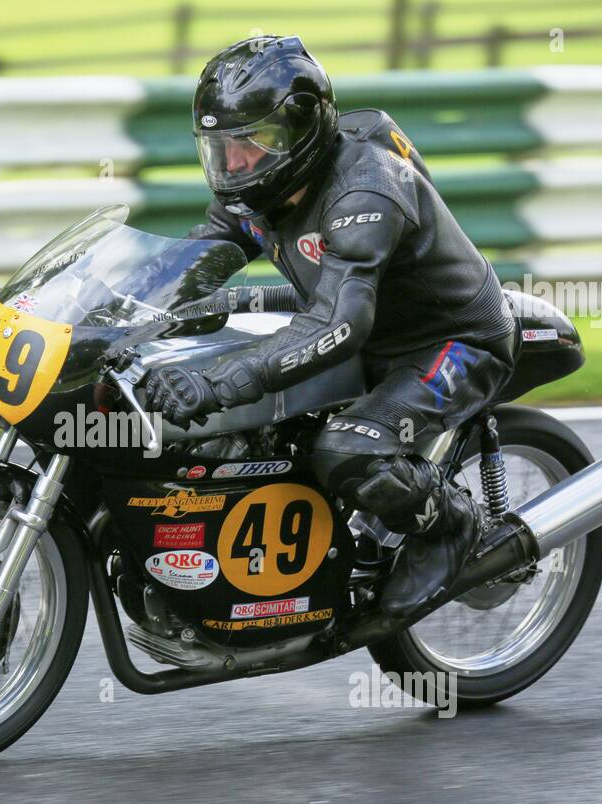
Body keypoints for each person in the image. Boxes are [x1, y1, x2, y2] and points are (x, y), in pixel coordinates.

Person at [141, 35, 521, 618]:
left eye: (252, 142)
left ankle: (450, 528)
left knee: (347, 450)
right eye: (221, 146)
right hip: (347, 317)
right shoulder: (254, 194)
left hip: (449, 341)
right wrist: (112, 311)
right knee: (199, 353)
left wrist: (219, 382)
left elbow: (340, 324)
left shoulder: (366, 188)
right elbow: (192, 262)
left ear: (302, 128)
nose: (235, 163)